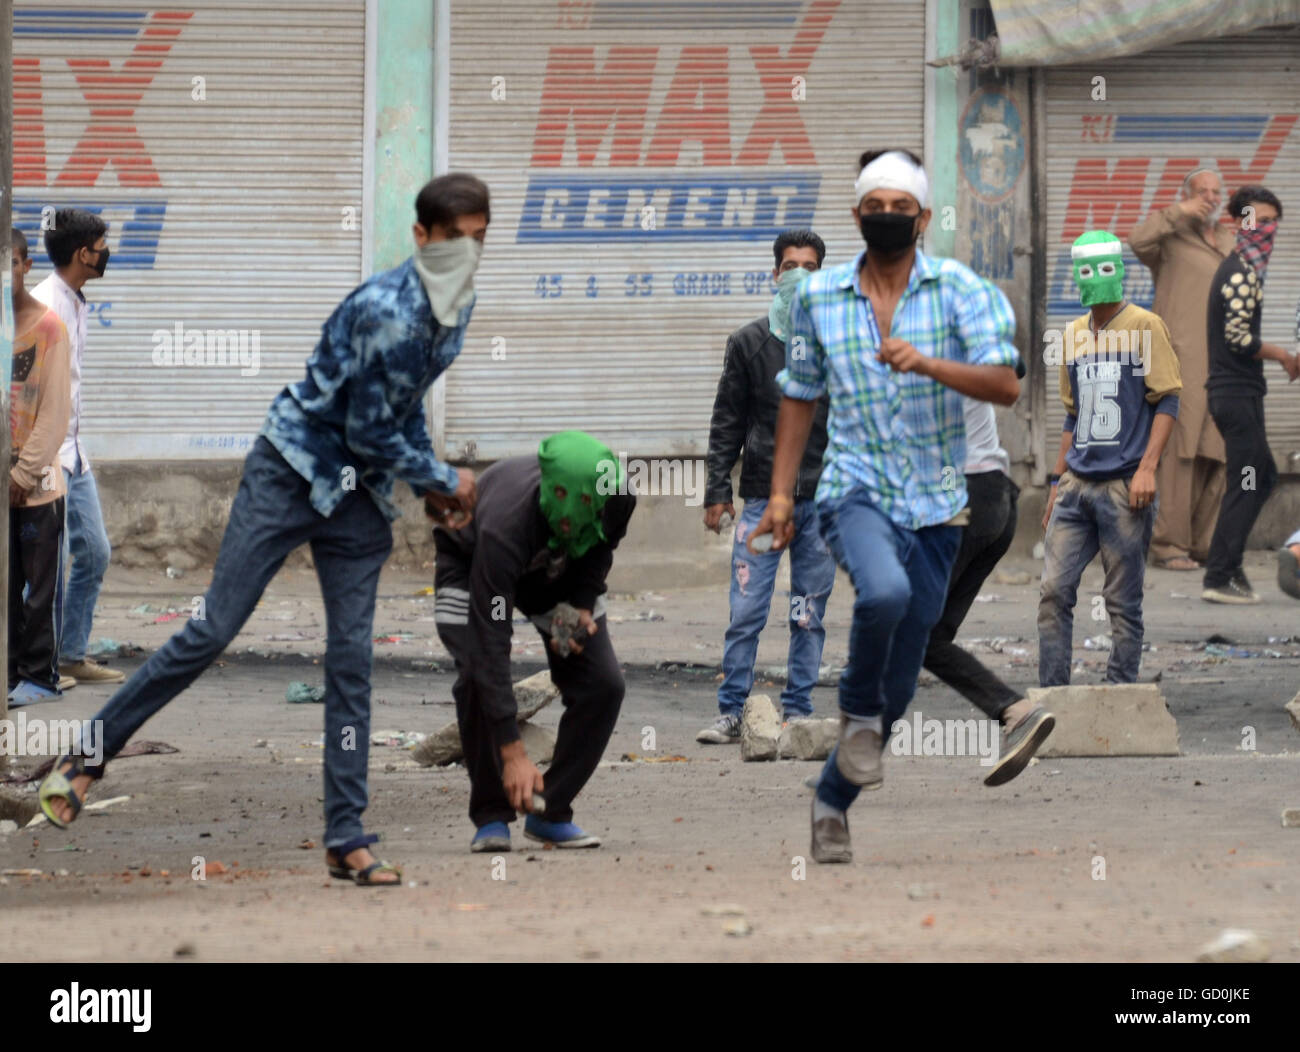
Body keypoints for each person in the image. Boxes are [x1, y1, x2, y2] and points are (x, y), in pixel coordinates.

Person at [37, 173, 489, 888]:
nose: (467, 254)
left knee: (351, 661)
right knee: (212, 629)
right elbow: (370, 426)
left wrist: (425, 481)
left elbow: (400, 408)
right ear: (422, 237)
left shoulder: (456, 312)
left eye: (479, 241)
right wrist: (442, 478)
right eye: (454, 240)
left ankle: (346, 835)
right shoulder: (384, 308)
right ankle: (87, 752)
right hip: (290, 468)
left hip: (359, 497)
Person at [751, 149, 1021, 864]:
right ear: (857, 216)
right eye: (877, 209)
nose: (890, 220)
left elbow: (1004, 384)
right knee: (884, 593)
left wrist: (928, 363)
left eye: (903, 210)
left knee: (902, 684)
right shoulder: (817, 297)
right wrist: (781, 495)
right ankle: (856, 716)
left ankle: (833, 796)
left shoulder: (964, 291)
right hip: (855, 490)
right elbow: (799, 397)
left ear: (924, 219)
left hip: (939, 503)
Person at [433, 431, 634, 853]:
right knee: (476, 673)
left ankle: (548, 808)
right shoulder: (506, 526)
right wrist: (513, 752)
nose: (573, 509)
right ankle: (491, 814)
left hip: (556, 571)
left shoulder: (616, 494)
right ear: (549, 487)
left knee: (603, 684)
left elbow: (603, 544)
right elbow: (492, 638)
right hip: (472, 566)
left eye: (584, 503)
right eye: (561, 496)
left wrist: (580, 604)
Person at [698, 229, 837, 743]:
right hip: (760, 498)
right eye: (790, 265)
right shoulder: (749, 343)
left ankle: (797, 711)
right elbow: (726, 422)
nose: (799, 273)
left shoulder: (837, 344)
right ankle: (731, 711)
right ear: (775, 274)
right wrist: (716, 491)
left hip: (822, 503)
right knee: (747, 610)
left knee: (808, 613)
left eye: (809, 265)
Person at [1039, 230, 1182, 686]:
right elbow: (1072, 415)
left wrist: (1146, 468)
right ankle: (1051, 697)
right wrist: (1055, 481)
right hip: (1077, 485)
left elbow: (1169, 400)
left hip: (1124, 488)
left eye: (1104, 268)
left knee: (1122, 601)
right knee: (1052, 593)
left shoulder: (1145, 326)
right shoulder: (1073, 335)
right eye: (1086, 269)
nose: (1095, 278)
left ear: (1119, 271)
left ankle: (1119, 692)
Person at [920, 393, 1055, 786]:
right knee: (929, 636)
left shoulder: (919, 353)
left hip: (962, 501)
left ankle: (857, 753)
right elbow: (1013, 367)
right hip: (997, 499)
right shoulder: (967, 348)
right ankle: (1015, 710)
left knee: (908, 628)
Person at [32, 210, 123, 687]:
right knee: (49, 561)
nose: (106, 251)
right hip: (48, 453)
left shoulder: (74, 300)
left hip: (73, 450)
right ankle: (39, 664)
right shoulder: (46, 305)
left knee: (94, 550)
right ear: (80, 253)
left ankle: (69, 655)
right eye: (101, 244)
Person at [1129, 168, 1234, 572]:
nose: (1209, 197)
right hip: (1181, 357)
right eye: (1200, 191)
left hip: (1226, 362)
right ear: (1185, 194)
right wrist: (1179, 211)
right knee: (1180, 450)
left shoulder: (1228, 239)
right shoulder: (1168, 239)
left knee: (1220, 451)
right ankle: (1169, 544)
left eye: (1214, 192)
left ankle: (1206, 544)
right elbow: (1137, 239)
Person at [1201, 186, 1295, 604]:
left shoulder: (1247, 270)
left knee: (1261, 476)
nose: (1266, 228)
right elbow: (1238, 339)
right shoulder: (1239, 272)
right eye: (1259, 219)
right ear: (1240, 223)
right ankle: (1220, 575)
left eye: (1272, 221)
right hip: (1234, 395)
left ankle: (1227, 566)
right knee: (1249, 478)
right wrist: (1284, 357)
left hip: (1242, 394)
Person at [8, 228, 73, 706]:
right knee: (6, 588)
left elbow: (53, 416)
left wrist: (22, 473)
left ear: (26, 265)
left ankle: (41, 677)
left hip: (37, 486)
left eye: (9, 263)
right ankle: (10, 674)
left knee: (38, 588)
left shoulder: (49, 328)